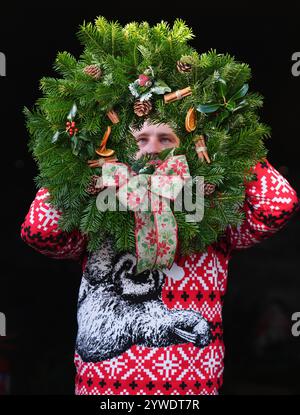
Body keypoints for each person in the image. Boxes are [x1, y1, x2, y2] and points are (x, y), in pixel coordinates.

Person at [20, 120, 299, 395]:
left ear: (189, 147)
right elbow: (39, 231)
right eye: (141, 139)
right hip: (105, 389)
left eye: (166, 138)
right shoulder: (98, 214)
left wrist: (233, 140)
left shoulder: (215, 215)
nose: (152, 149)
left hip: (190, 391)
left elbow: (278, 206)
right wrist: (76, 157)